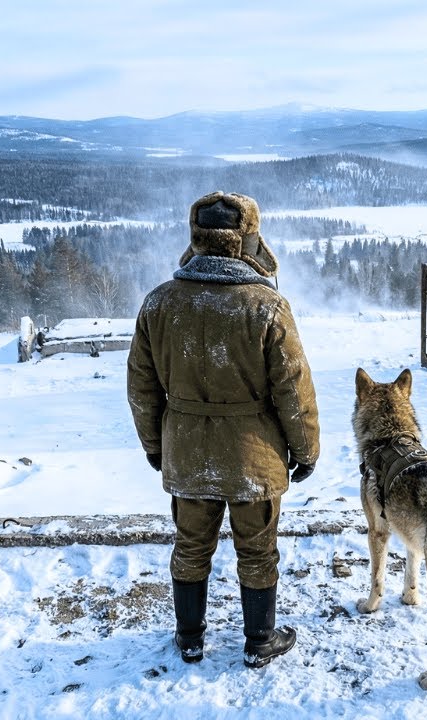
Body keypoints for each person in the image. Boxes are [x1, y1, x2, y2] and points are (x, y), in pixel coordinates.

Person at [127, 191, 320, 669]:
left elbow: (141, 387)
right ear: (246, 241)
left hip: (187, 451)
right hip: (255, 456)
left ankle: (189, 639)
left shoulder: (159, 303)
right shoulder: (267, 307)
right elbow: (294, 391)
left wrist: (156, 447)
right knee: (258, 551)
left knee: (190, 545)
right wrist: (306, 451)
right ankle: (259, 641)